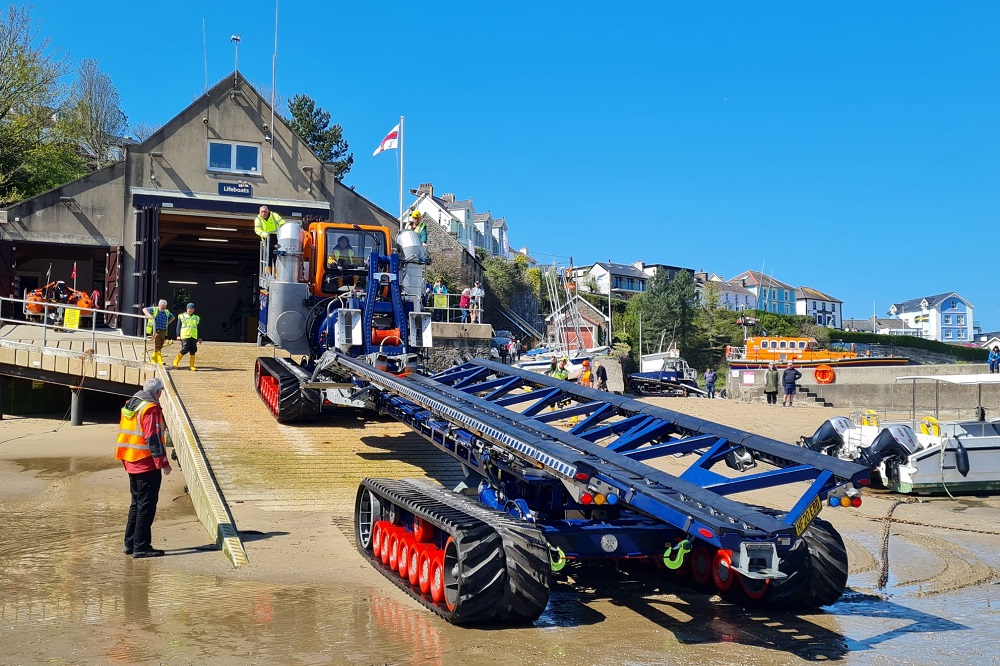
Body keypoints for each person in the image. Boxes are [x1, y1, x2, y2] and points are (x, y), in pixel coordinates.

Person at [117, 377, 172, 558]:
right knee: (146, 505)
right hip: (145, 461)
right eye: (160, 392)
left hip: (130, 459)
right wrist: (162, 463)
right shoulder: (150, 408)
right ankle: (141, 546)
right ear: (157, 392)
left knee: (136, 504)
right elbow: (153, 437)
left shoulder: (131, 404)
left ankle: (130, 543)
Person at [254, 205, 287, 272]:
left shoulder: (274, 215)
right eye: (262, 212)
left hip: (277, 237)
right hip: (267, 238)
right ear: (259, 212)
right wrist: (263, 234)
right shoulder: (258, 219)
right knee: (268, 254)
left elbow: (282, 223)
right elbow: (257, 229)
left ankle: (276, 269)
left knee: (277, 254)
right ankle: (268, 268)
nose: (264, 213)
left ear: (268, 211)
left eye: (265, 211)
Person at [143, 300, 175, 365]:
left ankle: (153, 359)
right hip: (156, 330)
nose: (163, 308)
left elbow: (173, 317)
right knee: (157, 345)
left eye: (164, 307)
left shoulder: (166, 312)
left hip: (163, 330)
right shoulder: (154, 309)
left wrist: (168, 322)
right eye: (162, 307)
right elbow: (144, 309)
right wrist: (149, 315)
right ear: (159, 305)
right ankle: (160, 360)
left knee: (161, 344)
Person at [172, 303, 201, 371]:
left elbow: (198, 328)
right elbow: (178, 327)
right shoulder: (182, 316)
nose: (191, 310)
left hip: (193, 336)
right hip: (185, 335)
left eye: (192, 309)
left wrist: (199, 337)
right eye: (189, 308)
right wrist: (178, 335)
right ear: (187, 309)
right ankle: (175, 361)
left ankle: (191, 366)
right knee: (185, 349)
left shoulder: (196, 318)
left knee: (193, 350)